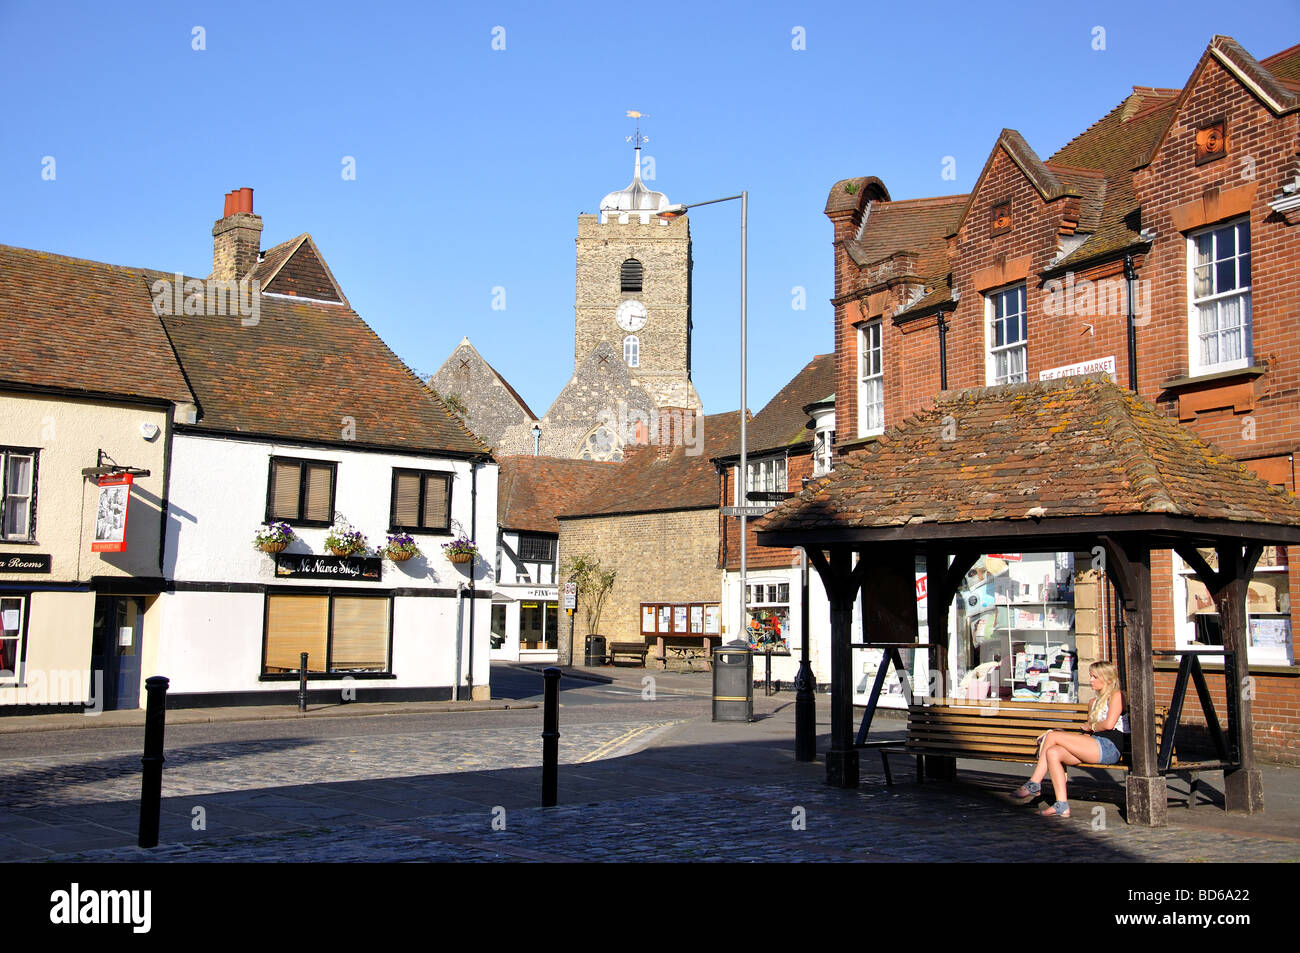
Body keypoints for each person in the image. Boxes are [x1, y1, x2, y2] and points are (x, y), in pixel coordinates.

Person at [1010, 661, 1128, 818]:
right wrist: (1068, 736)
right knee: (1053, 752)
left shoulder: (1117, 696)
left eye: (1094, 677)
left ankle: (1034, 783)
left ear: (1106, 679)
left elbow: (1109, 724)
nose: (1090, 680)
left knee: (1052, 735)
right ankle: (1061, 805)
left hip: (1109, 747)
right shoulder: (1093, 703)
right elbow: (1087, 734)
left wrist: (1090, 727)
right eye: (1090, 676)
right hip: (1093, 744)